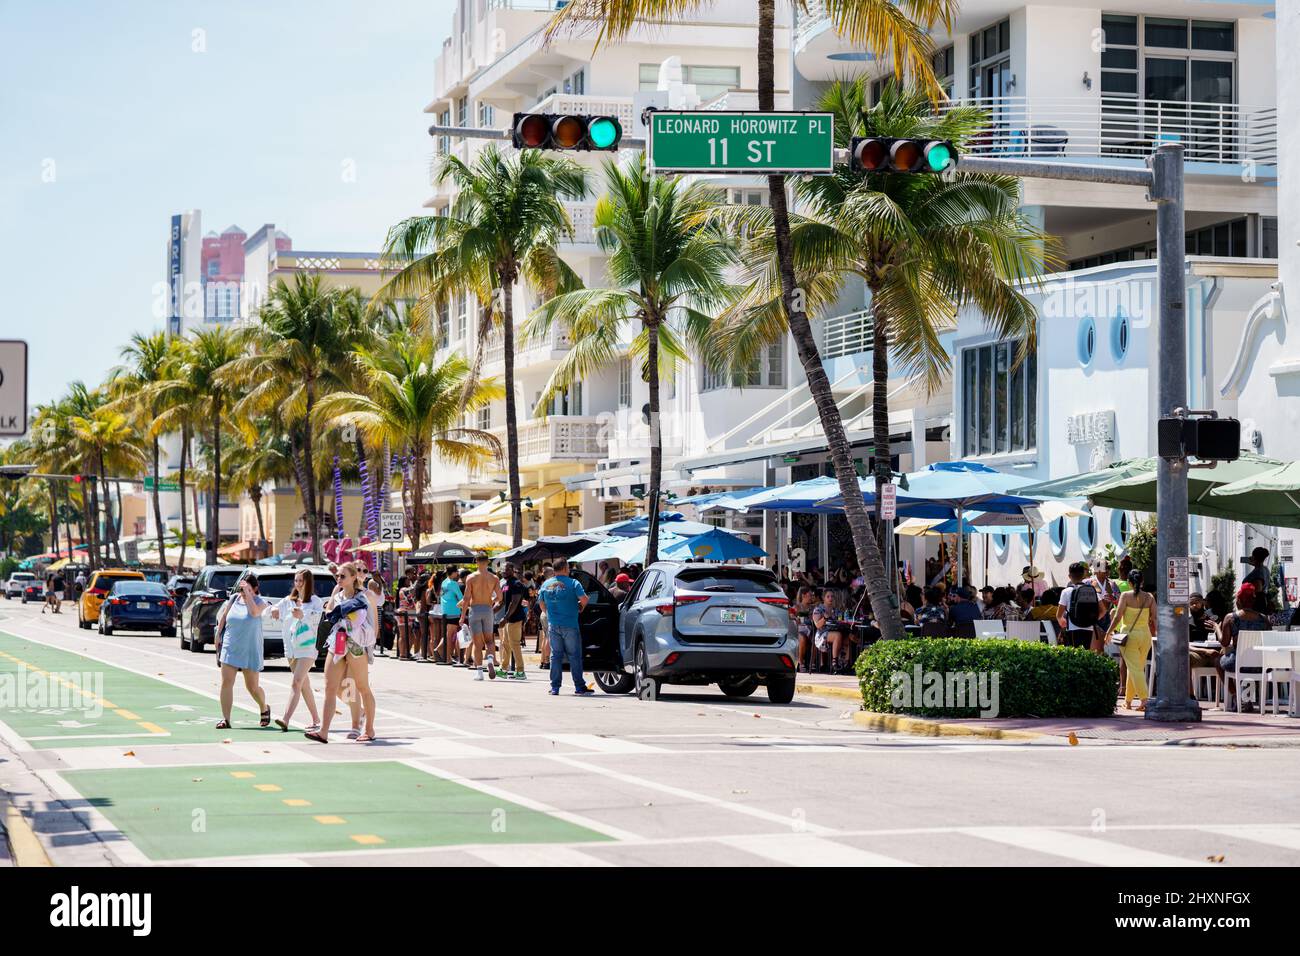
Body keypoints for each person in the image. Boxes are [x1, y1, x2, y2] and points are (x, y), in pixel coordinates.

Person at [307, 562, 378, 743]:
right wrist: (333, 598)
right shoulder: (337, 595)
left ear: (354, 577)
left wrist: (371, 646)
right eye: (337, 576)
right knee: (330, 687)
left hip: (356, 644)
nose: (338, 579)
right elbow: (329, 612)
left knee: (362, 687)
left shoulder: (365, 596)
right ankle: (323, 731)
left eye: (343, 576)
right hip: (337, 642)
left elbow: (373, 622)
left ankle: (368, 729)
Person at [214, 576, 271, 730]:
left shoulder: (260, 602)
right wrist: (218, 635)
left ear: (255, 589)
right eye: (242, 590)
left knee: (252, 687)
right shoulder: (234, 599)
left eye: (248, 590)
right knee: (226, 682)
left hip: (250, 649)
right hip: (230, 645)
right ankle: (225, 719)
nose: (244, 593)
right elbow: (224, 617)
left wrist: (248, 594)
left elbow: (253, 613)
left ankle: (264, 707)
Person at [269, 568, 323, 733]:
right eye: (296, 581)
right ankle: (316, 719)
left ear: (308, 582)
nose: (298, 584)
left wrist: (303, 616)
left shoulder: (315, 601)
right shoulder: (288, 600)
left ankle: (285, 719)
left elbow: (317, 621)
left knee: (296, 682)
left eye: (301, 581)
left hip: (308, 646)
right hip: (291, 647)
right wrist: (274, 610)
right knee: (304, 685)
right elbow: (271, 609)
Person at [1103, 569, 1156, 711]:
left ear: (1129, 583)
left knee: (1135, 669)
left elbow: (1117, 616)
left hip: (1129, 636)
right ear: (1142, 582)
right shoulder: (1150, 597)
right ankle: (1128, 701)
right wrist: (1157, 635)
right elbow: (1155, 619)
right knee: (1136, 668)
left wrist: (1108, 632)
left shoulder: (1125, 596)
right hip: (1145, 636)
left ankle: (1144, 700)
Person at [538, 558, 592, 696]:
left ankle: (555, 687)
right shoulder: (573, 583)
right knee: (574, 656)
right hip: (570, 625)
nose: (569, 569)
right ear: (564, 568)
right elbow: (585, 599)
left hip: (553, 625)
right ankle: (579, 686)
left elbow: (542, 604)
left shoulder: (546, 584)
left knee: (555, 656)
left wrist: (550, 614)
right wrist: (579, 606)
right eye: (567, 567)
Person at [1217, 582, 1271, 712]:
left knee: (1217, 661)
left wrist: (1216, 628)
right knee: (1248, 666)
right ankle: (1247, 700)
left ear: (1239, 600)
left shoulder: (1231, 618)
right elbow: (1269, 641)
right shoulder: (1264, 619)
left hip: (1238, 661)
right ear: (1253, 601)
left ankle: (1237, 696)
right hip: (1260, 663)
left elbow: (1224, 642)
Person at [462, 553, 502, 680]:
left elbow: (466, 598)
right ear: (488, 563)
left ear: (476, 562)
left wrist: (462, 616)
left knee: (477, 644)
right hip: (488, 609)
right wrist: (492, 600)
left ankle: (479, 672)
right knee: (489, 641)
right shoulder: (494, 578)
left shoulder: (471, 577)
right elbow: (500, 598)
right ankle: (490, 659)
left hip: (475, 609)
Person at [495, 563, 529, 680]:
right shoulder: (505, 584)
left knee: (515, 644)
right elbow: (503, 602)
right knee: (505, 644)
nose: (504, 571)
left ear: (512, 570)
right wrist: (491, 611)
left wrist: (505, 618)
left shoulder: (516, 584)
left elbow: (514, 603)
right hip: (508, 619)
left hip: (515, 618)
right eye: (502, 569)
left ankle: (520, 671)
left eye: (507, 569)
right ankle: (503, 669)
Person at [1057, 562, 1101, 649]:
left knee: (1074, 654)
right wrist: (1093, 619)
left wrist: (1063, 623)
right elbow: (1103, 610)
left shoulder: (1066, 591)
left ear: (1069, 576)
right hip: (1089, 627)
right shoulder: (1091, 590)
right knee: (1086, 654)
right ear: (1083, 575)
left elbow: (1059, 615)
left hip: (1073, 627)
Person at [1086, 558, 1121, 653]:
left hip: (1108, 619)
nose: (1107, 570)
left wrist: (1113, 599)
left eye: (1108, 568)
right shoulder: (1088, 582)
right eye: (1105, 568)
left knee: (1106, 650)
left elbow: (1121, 602)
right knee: (1095, 650)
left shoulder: (1112, 584)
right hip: (1093, 618)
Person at [437, 567, 463, 665]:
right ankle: (447, 657)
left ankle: (444, 654)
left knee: (448, 634)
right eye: (457, 572)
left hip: (445, 610)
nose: (457, 574)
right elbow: (461, 598)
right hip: (454, 610)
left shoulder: (444, 582)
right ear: (453, 573)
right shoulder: (453, 584)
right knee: (451, 635)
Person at [1242, 547, 1270, 613]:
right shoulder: (1265, 569)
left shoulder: (1258, 572)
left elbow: (1258, 594)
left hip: (1254, 608)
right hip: (1258, 606)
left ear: (1253, 557)